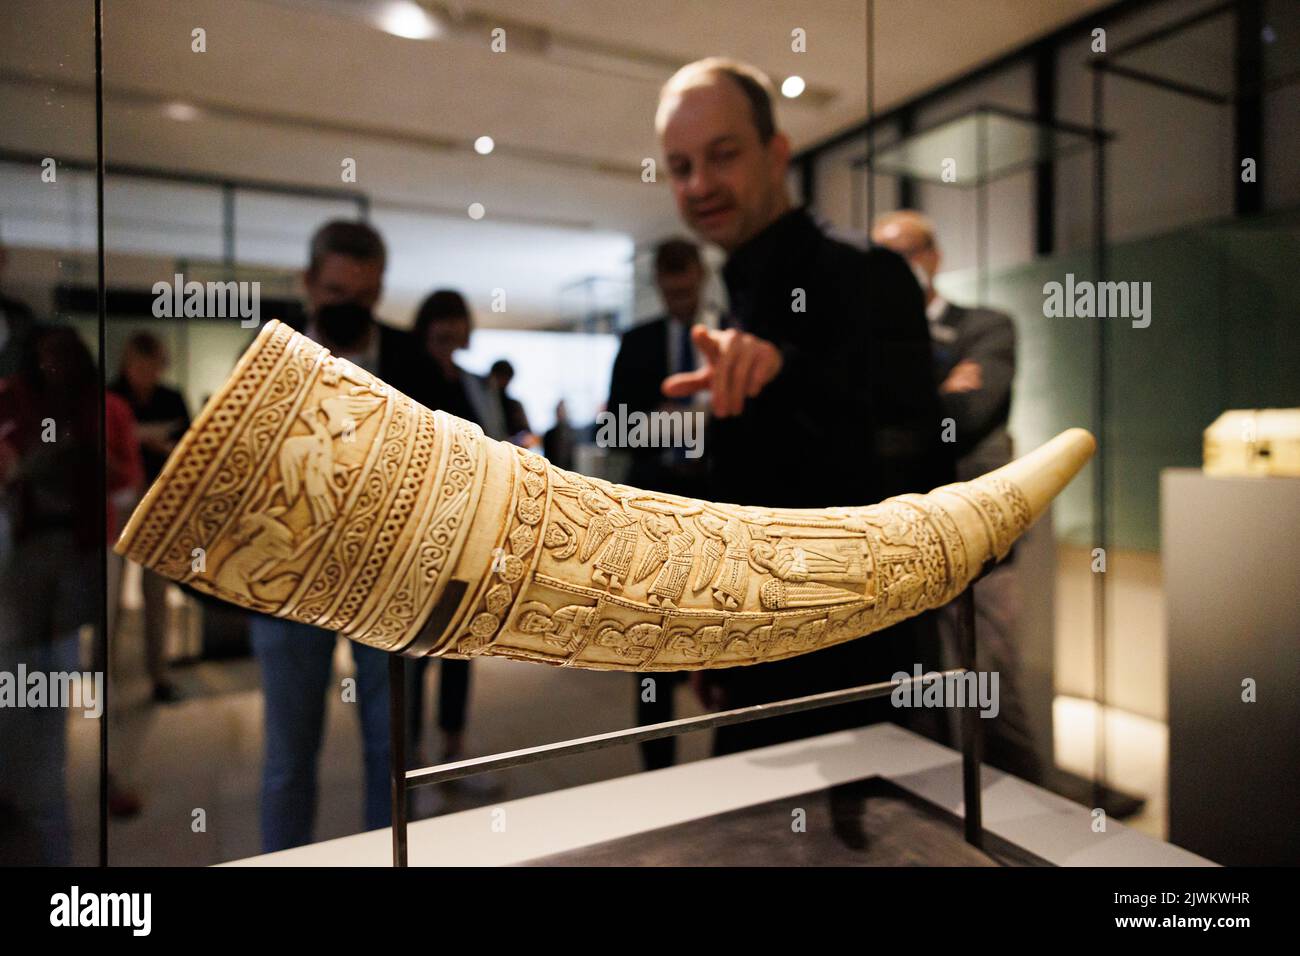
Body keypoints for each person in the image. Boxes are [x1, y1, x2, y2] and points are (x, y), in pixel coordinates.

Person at [654, 57, 951, 755]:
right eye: (679, 166)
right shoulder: (742, 284)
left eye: (722, 156)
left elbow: (920, 460)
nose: (699, 185)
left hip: (857, 671)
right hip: (759, 655)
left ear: (776, 152)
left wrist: (788, 370)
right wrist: (715, 633)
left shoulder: (864, 272)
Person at [872, 209, 1039, 782]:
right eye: (881, 260)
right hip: (903, 542)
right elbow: (869, 433)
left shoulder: (986, 326)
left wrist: (907, 408)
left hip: (979, 542)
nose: (895, 270)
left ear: (934, 256)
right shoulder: (878, 346)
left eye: (905, 253)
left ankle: (1024, 832)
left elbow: (967, 414)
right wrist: (935, 392)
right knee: (916, 701)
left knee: (990, 697)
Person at [247, 220, 397, 852]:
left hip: (387, 579)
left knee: (390, 753)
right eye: (336, 293)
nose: (348, 310)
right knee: (288, 754)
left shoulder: (406, 358)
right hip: (286, 576)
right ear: (310, 284)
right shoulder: (267, 358)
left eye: (362, 299)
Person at [0, 326, 142, 862]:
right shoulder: (14, 403)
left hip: (82, 554)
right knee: (28, 692)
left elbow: (124, 479)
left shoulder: (99, 408)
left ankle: (96, 776)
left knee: (71, 683)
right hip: (23, 564)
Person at [607, 236, 717, 769]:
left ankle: (730, 763)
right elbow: (616, 429)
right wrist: (675, 422)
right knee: (648, 644)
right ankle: (656, 771)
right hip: (655, 512)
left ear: (700, 278)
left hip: (717, 509)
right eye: (671, 292)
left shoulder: (725, 336)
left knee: (722, 636)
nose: (680, 299)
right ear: (659, 287)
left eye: (687, 289)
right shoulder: (638, 344)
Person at [402, 290, 505, 788]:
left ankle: (453, 750)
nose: (449, 332)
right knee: (413, 655)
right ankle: (413, 763)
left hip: (469, 538)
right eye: (441, 323)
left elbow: (495, 445)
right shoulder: (409, 376)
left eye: (456, 322)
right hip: (418, 541)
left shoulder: (474, 383)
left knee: (461, 645)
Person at [109, 332, 191, 703]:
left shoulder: (170, 398)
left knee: (156, 595)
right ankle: (104, 677)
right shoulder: (111, 398)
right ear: (129, 365)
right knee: (111, 594)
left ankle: (159, 675)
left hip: (159, 501)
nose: (148, 373)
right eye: (142, 366)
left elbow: (192, 445)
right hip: (120, 501)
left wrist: (156, 444)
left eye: (154, 366)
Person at [487, 359, 538, 448]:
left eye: (505, 378)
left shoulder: (514, 406)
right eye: (499, 377)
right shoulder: (483, 404)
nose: (502, 382)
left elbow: (528, 436)